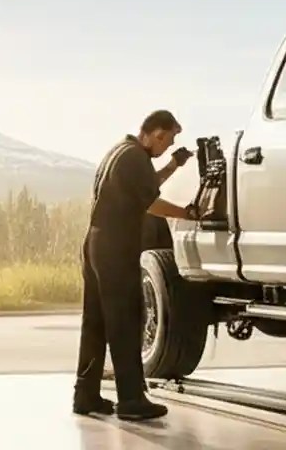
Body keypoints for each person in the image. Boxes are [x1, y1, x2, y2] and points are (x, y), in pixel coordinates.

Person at [73, 110, 197, 420]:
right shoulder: (133, 159)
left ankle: (85, 395)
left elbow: (146, 186)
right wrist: (187, 214)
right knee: (126, 321)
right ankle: (131, 400)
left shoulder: (121, 152)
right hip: (115, 248)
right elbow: (150, 203)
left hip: (95, 245)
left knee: (96, 323)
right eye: (168, 142)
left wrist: (172, 166)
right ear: (157, 134)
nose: (167, 147)